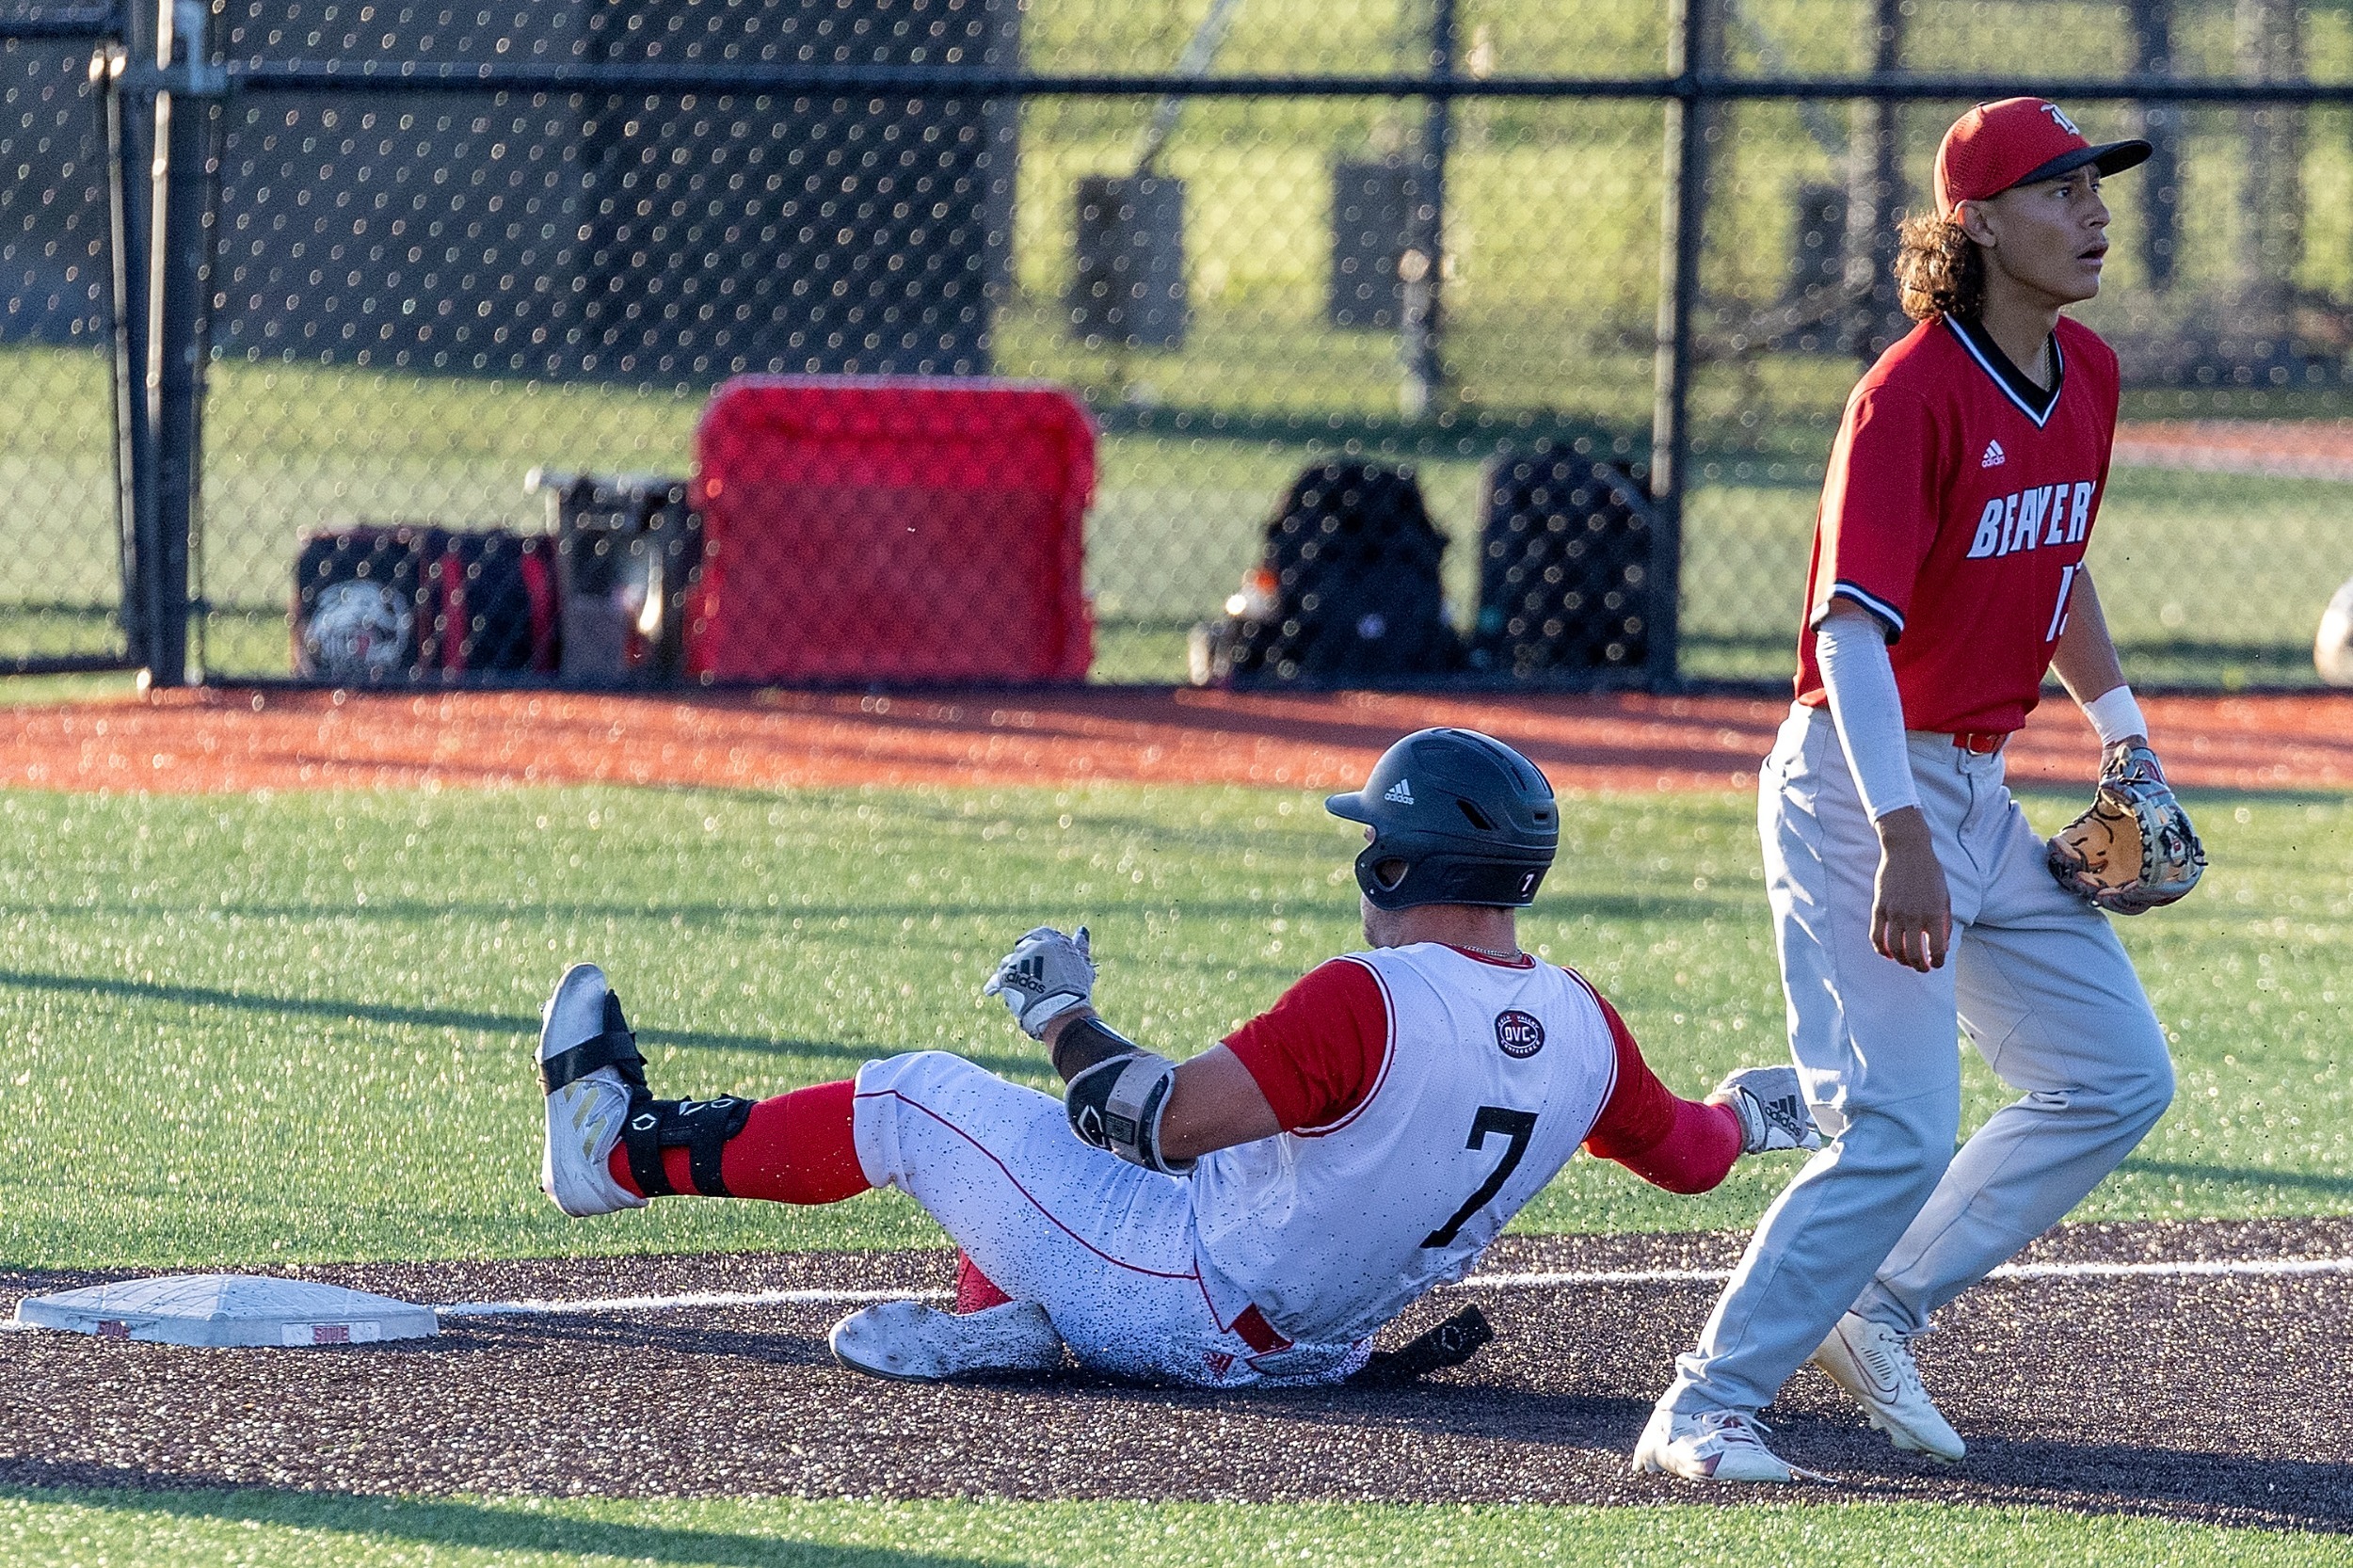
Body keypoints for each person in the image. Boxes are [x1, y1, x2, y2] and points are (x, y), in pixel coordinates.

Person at [536, 727, 1820, 1387]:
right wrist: (1753, 1113)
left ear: (1393, 863)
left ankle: (615, 1154)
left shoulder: (1364, 999)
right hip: (1322, 1341)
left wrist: (1059, 1013)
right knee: (1043, 1175)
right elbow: (1697, 1157)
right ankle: (1010, 1324)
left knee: (916, 1097)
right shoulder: (1585, 1026)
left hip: (1185, 1297)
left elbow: (1144, 1119)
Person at [1636, 99, 2185, 1482]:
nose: (2094, 211)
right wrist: (1899, 835)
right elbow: (1845, 637)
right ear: (1981, 223)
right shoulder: (1909, 394)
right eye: (2062, 190)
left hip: (1976, 791)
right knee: (1893, 1122)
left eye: (2096, 187)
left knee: (2113, 1073)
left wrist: (2127, 743)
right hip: (1856, 786)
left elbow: (2053, 566)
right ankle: (1701, 1410)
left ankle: (1875, 1303)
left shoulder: (2091, 375)